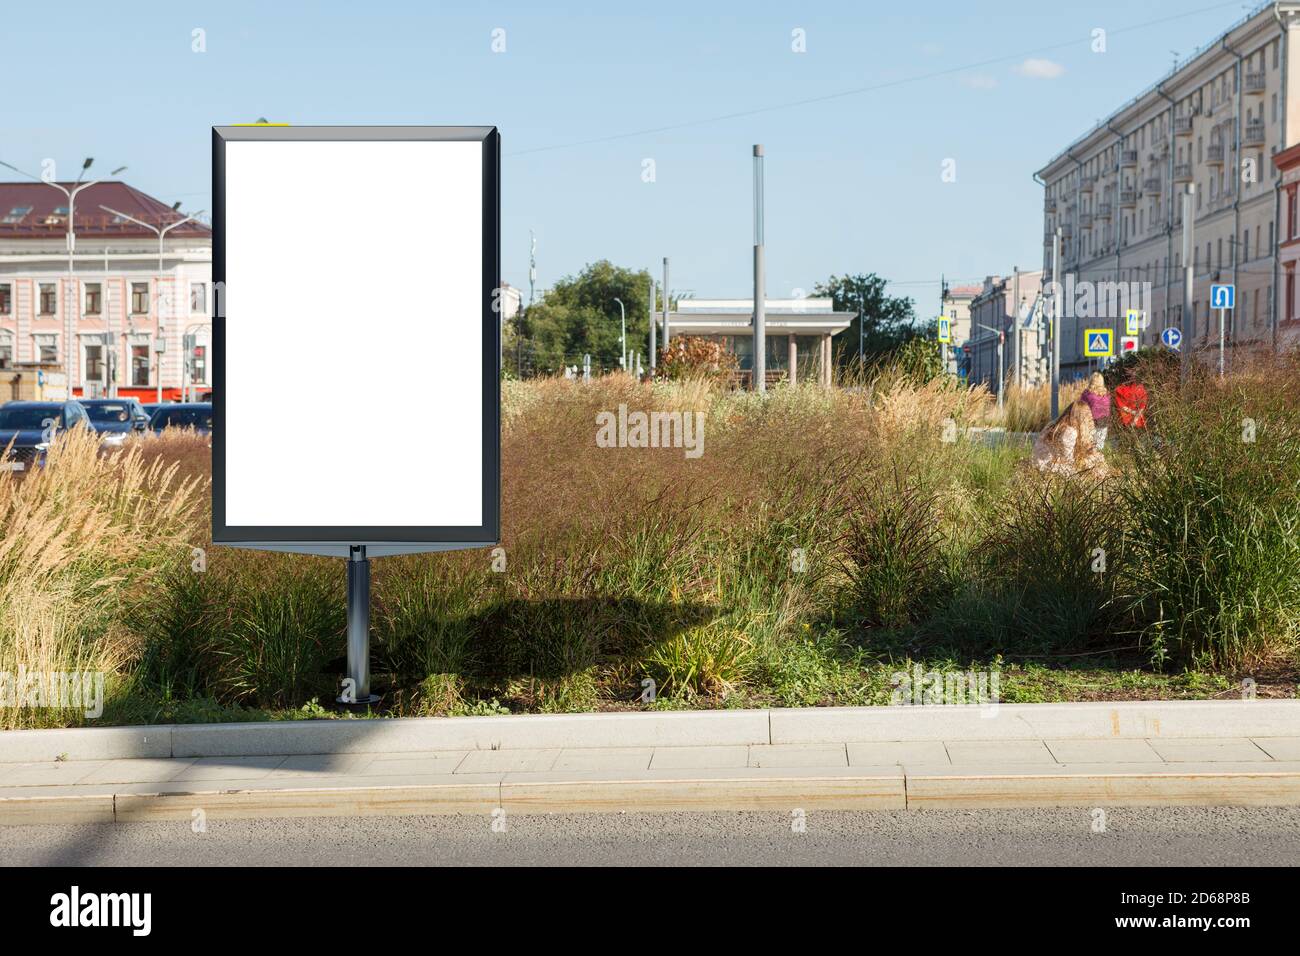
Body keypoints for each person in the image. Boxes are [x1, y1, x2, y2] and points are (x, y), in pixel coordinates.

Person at [1031, 398, 1109, 478]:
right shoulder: (1069, 432)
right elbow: (1068, 459)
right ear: (1083, 419)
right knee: (1092, 462)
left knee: (1093, 459)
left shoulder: (1054, 425)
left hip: (1041, 464)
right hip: (1050, 467)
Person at [1080, 372, 1111, 449]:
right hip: (1104, 422)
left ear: (1091, 381)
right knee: (1099, 446)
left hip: (1090, 422)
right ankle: (1098, 460)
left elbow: (1081, 407)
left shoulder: (1087, 394)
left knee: (1088, 446)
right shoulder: (1106, 394)